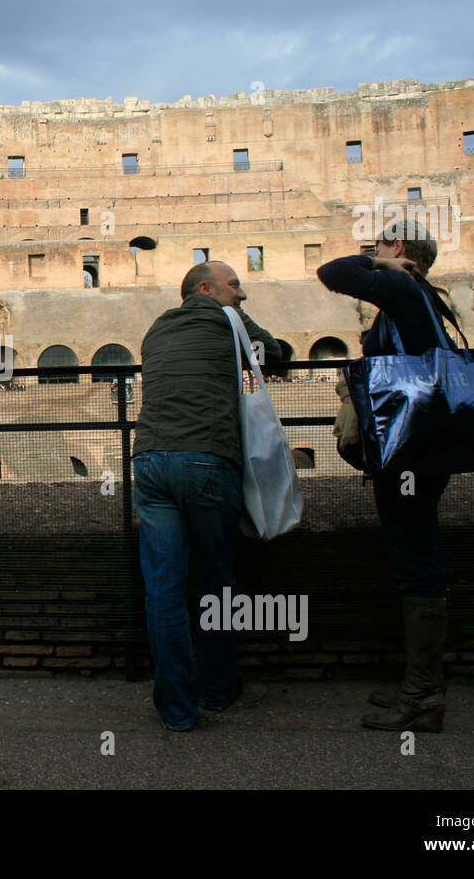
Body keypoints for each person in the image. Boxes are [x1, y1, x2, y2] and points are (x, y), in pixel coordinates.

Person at [133, 260, 282, 731]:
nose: (243, 294)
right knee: (216, 582)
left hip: (150, 461)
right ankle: (218, 690)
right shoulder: (227, 318)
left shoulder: (156, 328)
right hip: (206, 459)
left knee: (163, 590)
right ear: (205, 288)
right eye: (234, 285)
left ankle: (177, 708)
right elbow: (272, 355)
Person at [317, 220, 450, 732]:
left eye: (380, 243)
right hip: (424, 446)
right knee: (416, 557)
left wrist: (381, 264)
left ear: (399, 248)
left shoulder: (402, 284)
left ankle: (423, 696)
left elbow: (332, 270)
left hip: (409, 449)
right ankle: (418, 687)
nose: (372, 250)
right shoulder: (427, 298)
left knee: (416, 563)